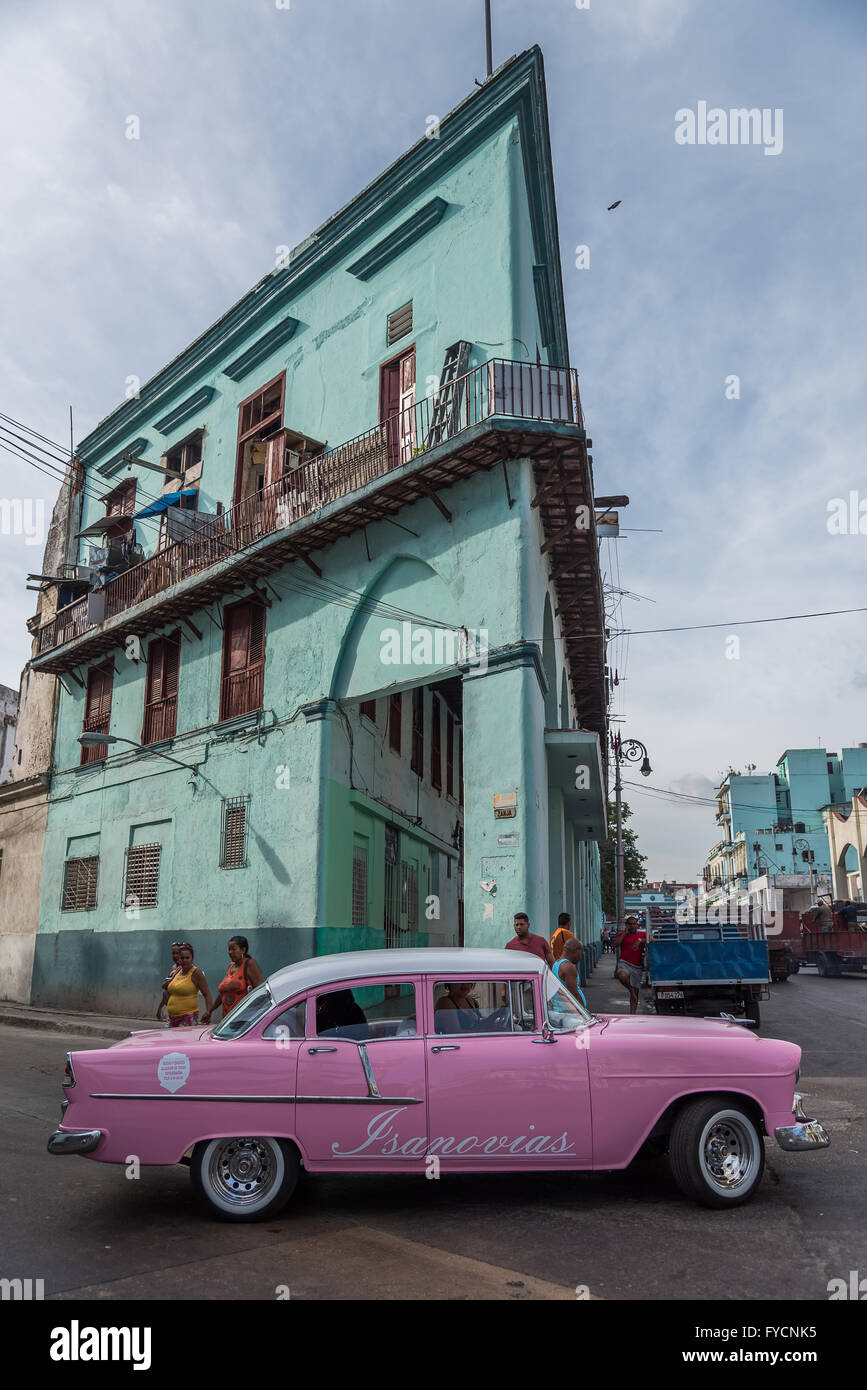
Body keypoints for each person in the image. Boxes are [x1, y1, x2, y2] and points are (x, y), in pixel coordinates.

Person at [202, 935, 264, 1024]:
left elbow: (260, 991)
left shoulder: (250, 964)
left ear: (243, 950)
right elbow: (222, 993)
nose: (230, 952)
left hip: (244, 1020)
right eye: (229, 949)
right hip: (227, 1019)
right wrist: (210, 1011)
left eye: (233, 949)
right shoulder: (230, 967)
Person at [164, 943, 213, 1028]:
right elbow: (165, 986)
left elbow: (207, 994)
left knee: (184, 1041)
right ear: (179, 959)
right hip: (172, 1018)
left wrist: (208, 1012)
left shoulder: (196, 973)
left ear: (192, 959)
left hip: (187, 1018)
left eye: (187, 958)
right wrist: (170, 980)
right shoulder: (178, 971)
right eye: (182, 958)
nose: (184, 960)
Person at [613, 915, 645, 1015]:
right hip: (624, 963)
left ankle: (632, 1015)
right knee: (622, 976)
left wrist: (640, 941)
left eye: (634, 924)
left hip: (637, 966)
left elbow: (651, 939)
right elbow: (615, 944)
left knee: (636, 994)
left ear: (637, 925)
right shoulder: (621, 934)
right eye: (630, 924)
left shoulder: (642, 934)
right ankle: (631, 991)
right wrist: (624, 934)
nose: (632, 926)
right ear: (626, 925)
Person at [552, 938, 587, 1008]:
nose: (580, 957)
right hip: (569, 1012)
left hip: (562, 1009)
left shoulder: (557, 963)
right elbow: (574, 994)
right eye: (581, 954)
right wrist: (584, 1012)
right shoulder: (568, 967)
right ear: (576, 951)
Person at [156, 942, 184, 1023]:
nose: (175, 956)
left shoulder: (185, 969)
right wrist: (159, 1009)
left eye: (178, 953)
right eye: (173, 953)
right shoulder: (174, 967)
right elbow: (167, 990)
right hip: (172, 1009)